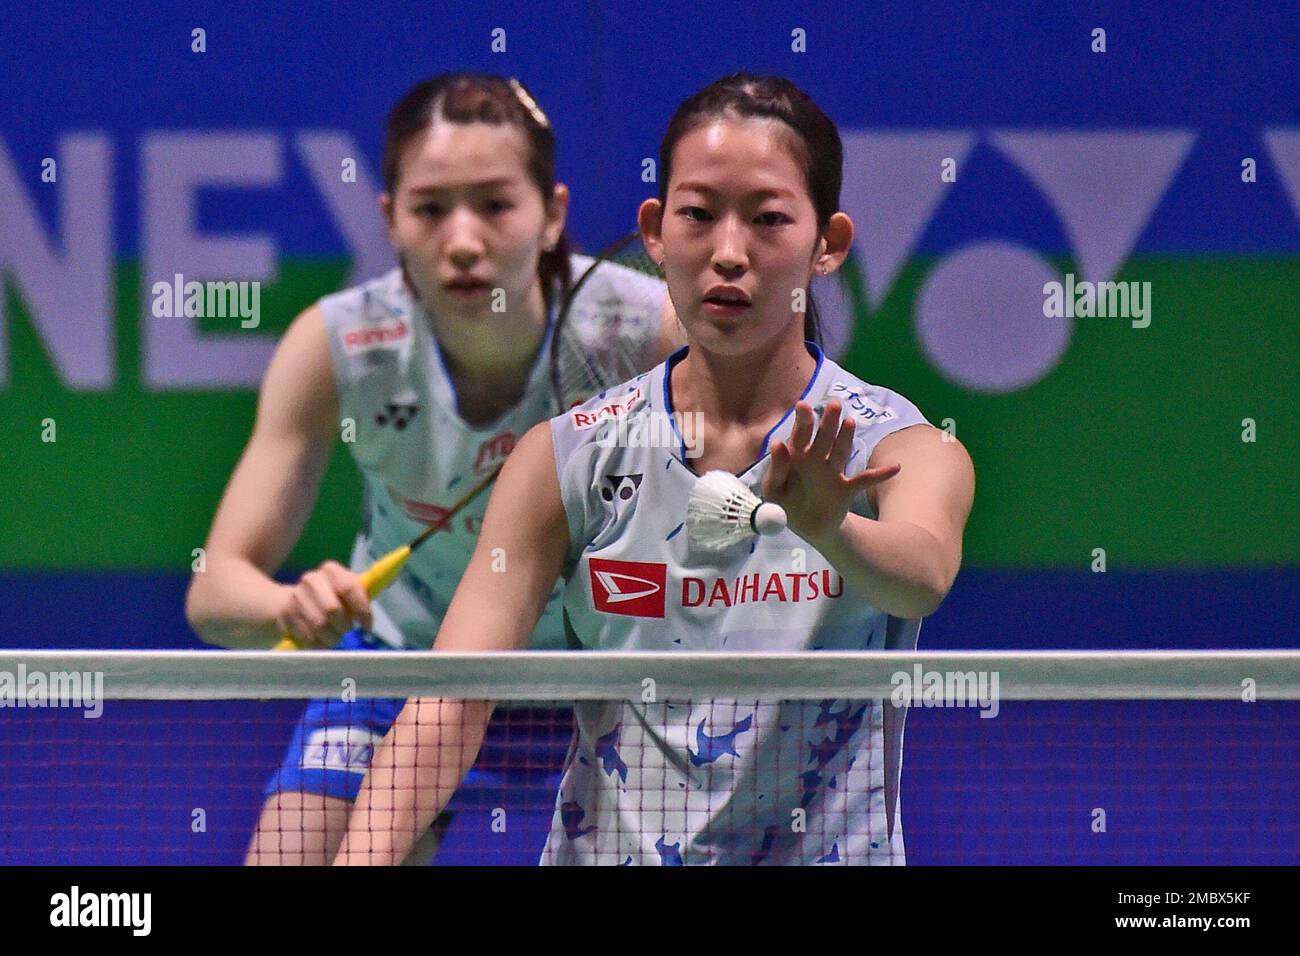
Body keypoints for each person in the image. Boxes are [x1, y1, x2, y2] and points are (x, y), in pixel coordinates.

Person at [334, 73, 975, 866]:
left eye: (770, 219)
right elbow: (450, 699)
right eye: (699, 216)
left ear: (827, 245)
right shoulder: (567, 457)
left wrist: (829, 526)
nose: (729, 253)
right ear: (657, 233)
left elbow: (923, 575)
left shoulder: (897, 446)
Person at [184, 73, 677, 865]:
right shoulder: (337, 346)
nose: (463, 239)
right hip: (405, 660)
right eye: (430, 208)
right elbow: (215, 592)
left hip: (599, 679)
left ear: (551, 215)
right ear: (389, 220)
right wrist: (291, 606)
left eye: (494, 203)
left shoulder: (646, 332)